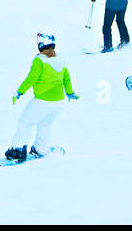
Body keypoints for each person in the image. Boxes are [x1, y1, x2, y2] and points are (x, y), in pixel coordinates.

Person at [5, 32, 79, 162]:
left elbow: (31, 78)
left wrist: (20, 92)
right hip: (58, 102)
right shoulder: (61, 59)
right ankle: (41, 148)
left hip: (42, 101)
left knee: (25, 123)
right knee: (45, 124)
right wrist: (70, 93)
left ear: (41, 45)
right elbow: (66, 78)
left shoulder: (40, 61)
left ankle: (17, 151)